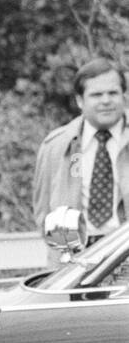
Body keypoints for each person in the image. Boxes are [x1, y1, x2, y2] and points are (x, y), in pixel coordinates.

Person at [33, 58, 128, 247]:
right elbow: (43, 213)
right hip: (76, 260)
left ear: (124, 96)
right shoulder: (56, 146)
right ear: (79, 100)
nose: (106, 101)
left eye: (113, 93)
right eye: (96, 95)